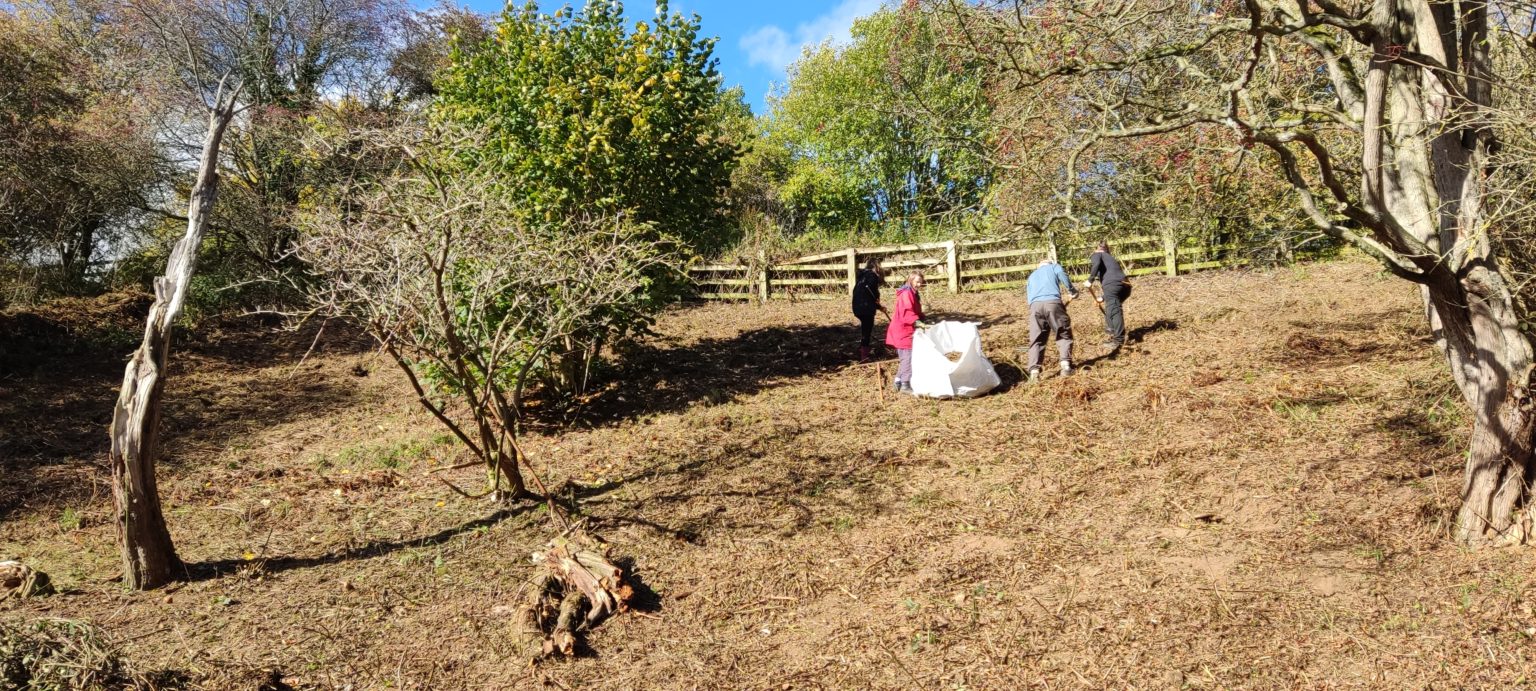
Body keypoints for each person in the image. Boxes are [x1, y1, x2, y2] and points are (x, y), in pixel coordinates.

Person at [1024, 258, 1079, 382]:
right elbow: (1062, 275)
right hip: (1053, 303)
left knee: (1037, 338)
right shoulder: (1054, 267)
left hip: (1035, 307)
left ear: (1039, 265)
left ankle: (1034, 373)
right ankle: (1066, 366)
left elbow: (1029, 296)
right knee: (1063, 332)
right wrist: (1072, 290)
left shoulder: (1032, 275)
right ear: (1049, 263)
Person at [1085, 240, 1132, 354]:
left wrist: (1090, 280)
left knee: (1114, 311)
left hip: (1113, 285)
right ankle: (1112, 331)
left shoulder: (1097, 254)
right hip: (1125, 286)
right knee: (1112, 309)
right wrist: (1102, 297)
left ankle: (1118, 340)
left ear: (1096, 248)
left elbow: (1096, 265)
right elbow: (1115, 280)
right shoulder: (1110, 258)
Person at [885, 271, 928, 394]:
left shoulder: (913, 293)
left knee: (906, 358)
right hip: (903, 330)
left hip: (907, 329)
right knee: (908, 358)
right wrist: (917, 322)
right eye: (917, 282)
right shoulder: (906, 294)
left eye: (920, 282)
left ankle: (898, 381)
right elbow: (907, 312)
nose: (919, 284)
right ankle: (905, 385)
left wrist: (923, 318)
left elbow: (915, 311)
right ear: (910, 280)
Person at [851, 257, 890, 363]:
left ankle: (862, 349)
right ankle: (864, 355)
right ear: (877, 267)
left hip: (857, 306)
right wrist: (878, 303)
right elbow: (872, 294)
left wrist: (879, 306)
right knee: (867, 330)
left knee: (865, 328)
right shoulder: (872, 276)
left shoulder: (862, 276)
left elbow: (867, 294)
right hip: (866, 308)